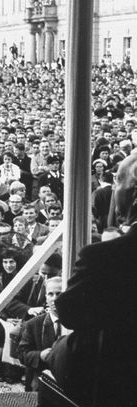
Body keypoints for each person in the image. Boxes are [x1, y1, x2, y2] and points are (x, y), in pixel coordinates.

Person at [49, 152, 137, 407]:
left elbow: (68, 313)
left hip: (115, 376)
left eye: (117, 183)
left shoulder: (102, 256)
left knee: (61, 350)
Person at [17, 276, 63, 392]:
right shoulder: (34, 324)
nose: (54, 298)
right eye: (50, 294)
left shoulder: (76, 324)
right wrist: (40, 355)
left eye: (59, 294)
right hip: (40, 379)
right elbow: (22, 354)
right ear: (46, 297)